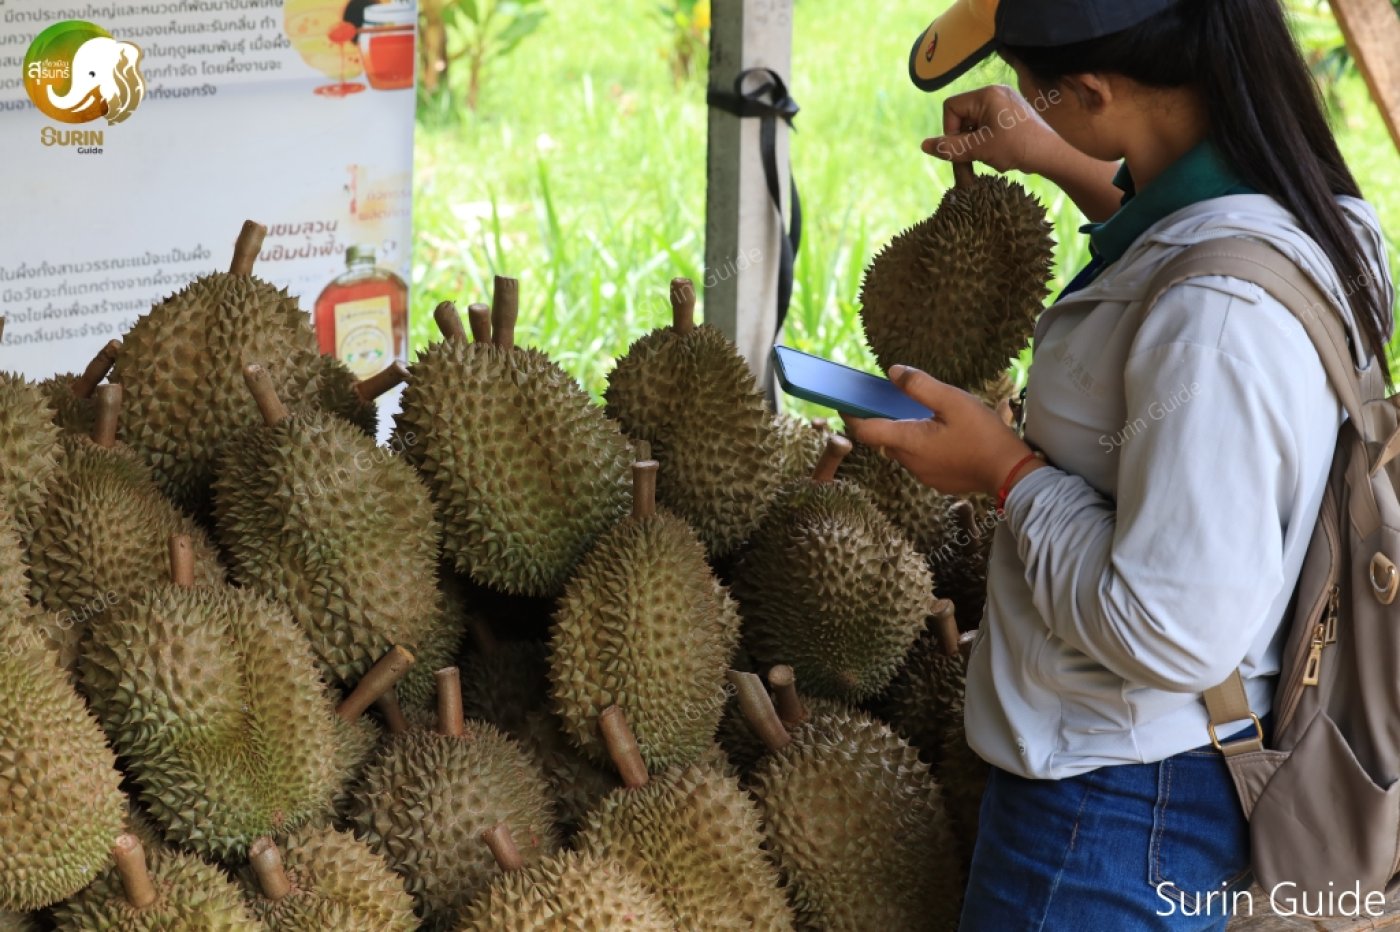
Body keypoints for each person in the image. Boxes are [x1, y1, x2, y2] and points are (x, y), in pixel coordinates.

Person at [844, 0, 1396, 929]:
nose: (1027, 100)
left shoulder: (1217, 330)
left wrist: (1004, 471)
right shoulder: (1313, 209)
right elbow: (1203, 249)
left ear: (1097, 91)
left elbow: (1167, 629)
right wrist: (1066, 160)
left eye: (1039, 89)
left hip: (1114, 817)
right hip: (1168, 779)